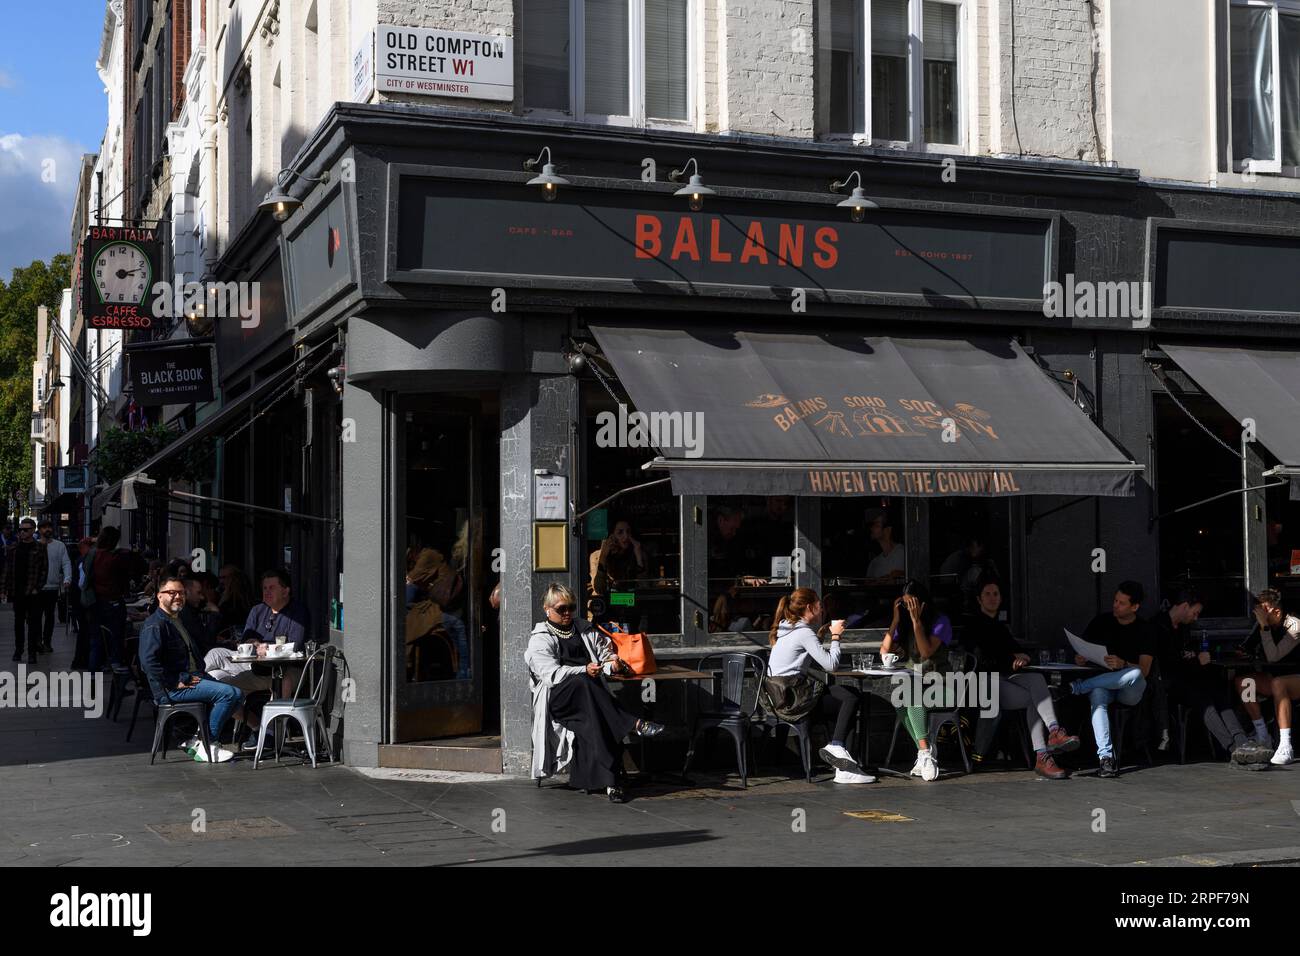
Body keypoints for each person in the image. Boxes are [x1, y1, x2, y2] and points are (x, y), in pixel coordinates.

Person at [524, 583, 664, 803]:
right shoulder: (540, 638)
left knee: (597, 720)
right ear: (547, 609)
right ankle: (633, 724)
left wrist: (612, 665)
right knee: (583, 682)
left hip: (590, 697)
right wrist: (585, 669)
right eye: (561, 609)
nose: (567, 613)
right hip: (560, 698)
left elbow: (604, 655)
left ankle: (612, 784)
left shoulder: (584, 628)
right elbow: (550, 674)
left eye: (571, 607)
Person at [964, 576, 1078, 778]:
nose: (992, 598)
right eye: (987, 594)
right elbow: (981, 660)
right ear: (979, 599)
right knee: (1038, 695)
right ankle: (1044, 754)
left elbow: (1016, 652)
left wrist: (1022, 658)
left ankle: (1051, 737)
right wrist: (1010, 659)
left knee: (1037, 683)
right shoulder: (973, 626)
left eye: (996, 594)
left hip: (1005, 680)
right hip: (984, 685)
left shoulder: (1000, 627)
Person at [765, 587, 875, 784]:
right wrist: (836, 637)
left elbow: (800, 657)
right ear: (810, 607)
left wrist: (820, 637)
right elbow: (831, 665)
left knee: (845, 697)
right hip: (794, 702)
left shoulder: (786, 625)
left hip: (780, 698)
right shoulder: (804, 632)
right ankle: (838, 750)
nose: (822, 610)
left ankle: (845, 764)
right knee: (850, 698)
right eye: (820, 605)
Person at [1151, 589, 1267, 767]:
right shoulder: (1158, 627)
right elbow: (1169, 664)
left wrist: (1195, 658)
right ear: (1183, 606)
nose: (1196, 618)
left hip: (1190, 676)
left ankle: (1242, 741)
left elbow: (1185, 656)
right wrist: (1196, 660)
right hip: (1169, 684)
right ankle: (1232, 748)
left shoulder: (1183, 627)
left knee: (1219, 689)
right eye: (1195, 612)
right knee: (1204, 700)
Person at [137, 575, 244, 762]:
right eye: (171, 592)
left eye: (180, 593)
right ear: (159, 596)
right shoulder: (156, 624)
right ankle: (207, 742)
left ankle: (198, 740)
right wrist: (173, 681)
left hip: (191, 677)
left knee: (238, 693)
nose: (177, 596)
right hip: (171, 688)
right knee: (228, 694)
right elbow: (147, 662)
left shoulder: (176, 620)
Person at [1069, 581, 1155, 778]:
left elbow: (1145, 670)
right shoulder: (1102, 621)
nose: (1115, 605)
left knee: (1134, 674)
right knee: (1098, 695)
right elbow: (1083, 648)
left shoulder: (1145, 629)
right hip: (1104, 683)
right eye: (1115, 600)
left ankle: (1081, 687)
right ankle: (1106, 758)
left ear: (1135, 607)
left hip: (1130, 690)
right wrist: (1081, 657)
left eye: (1122, 603)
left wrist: (1123, 664)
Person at [879, 579, 953, 781]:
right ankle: (925, 751)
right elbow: (884, 651)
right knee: (901, 701)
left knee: (912, 698)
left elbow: (926, 652)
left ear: (922, 604)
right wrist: (895, 620)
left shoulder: (940, 621)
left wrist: (916, 621)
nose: (908, 609)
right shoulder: (905, 626)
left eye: (911, 603)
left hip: (946, 686)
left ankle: (926, 754)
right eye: (905, 604)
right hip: (919, 686)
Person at [1232, 588, 1300, 754]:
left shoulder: (1294, 624)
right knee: (1244, 683)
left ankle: (1285, 745)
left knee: (1278, 684)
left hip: (1295, 678)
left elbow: (1273, 656)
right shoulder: (1264, 624)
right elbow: (1246, 646)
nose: (1259, 613)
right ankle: (1262, 734)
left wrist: (1264, 627)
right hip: (1274, 677)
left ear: (1276, 611)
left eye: (1264, 609)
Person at [4, 518, 48, 664]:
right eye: (21, 530)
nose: (22, 532)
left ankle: (32, 652)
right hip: (17, 591)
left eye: (26, 529)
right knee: (18, 623)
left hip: (33, 592)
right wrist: (4, 589)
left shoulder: (40, 547)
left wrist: (37, 588)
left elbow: (44, 570)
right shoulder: (13, 548)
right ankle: (18, 650)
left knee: (34, 623)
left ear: (33, 530)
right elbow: (7, 570)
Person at [241, 568, 313, 652]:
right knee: (221, 654)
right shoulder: (257, 610)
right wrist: (255, 643)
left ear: (285, 592)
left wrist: (268, 650)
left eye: (271, 588)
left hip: (280, 664)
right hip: (250, 661)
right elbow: (245, 640)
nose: (267, 592)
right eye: (265, 588)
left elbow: (296, 645)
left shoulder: (297, 612)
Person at [35, 519, 72, 654]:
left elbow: (66, 563)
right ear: (39, 530)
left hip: (52, 586)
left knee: (50, 616)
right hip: (37, 588)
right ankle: (38, 641)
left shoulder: (59, 546)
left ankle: (47, 642)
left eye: (49, 527)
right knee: (36, 616)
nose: (47, 530)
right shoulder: (35, 545)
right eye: (44, 527)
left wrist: (67, 579)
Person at [589, 519, 646, 598]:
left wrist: (639, 558)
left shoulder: (637, 552)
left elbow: (644, 587)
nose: (626, 536)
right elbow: (599, 589)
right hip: (609, 604)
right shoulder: (596, 556)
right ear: (611, 536)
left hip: (633, 603)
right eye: (620, 532)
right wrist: (603, 555)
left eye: (628, 532)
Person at [69, 537, 94, 669]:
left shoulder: (82, 561)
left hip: (80, 601)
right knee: (86, 630)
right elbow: (82, 584)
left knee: (84, 631)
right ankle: (82, 660)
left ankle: (80, 660)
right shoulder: (83, 562)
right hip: (83, 602)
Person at [865, 511, 905, 584]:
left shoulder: (902, 552)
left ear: (888, 529)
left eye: (877, 524)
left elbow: (897, 578)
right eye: (872, 525)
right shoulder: (874, 562)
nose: (872, 528)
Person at [217, 565, 253, 633]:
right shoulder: (221, 597)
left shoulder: (236, 602)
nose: (221, 581)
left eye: (224, 578)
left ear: (234, 578)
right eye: (220, 578)